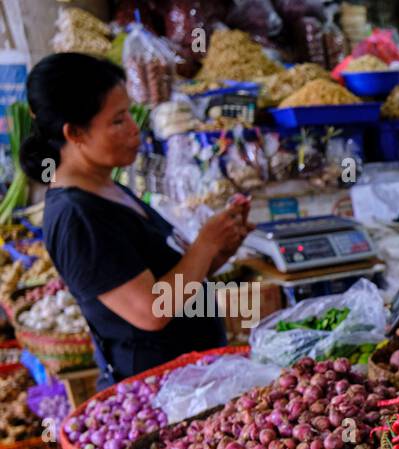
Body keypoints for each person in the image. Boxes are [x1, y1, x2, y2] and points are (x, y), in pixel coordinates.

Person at [21, 53, 253, 388]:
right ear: (75, 133)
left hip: (193, 378)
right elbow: (152, 310)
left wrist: (221, 249)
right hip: (156, 394)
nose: (134, 129)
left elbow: (172, 280)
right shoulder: (76, 217)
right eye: (117, 121)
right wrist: (206, 243)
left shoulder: (108, 187)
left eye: (129, 113)